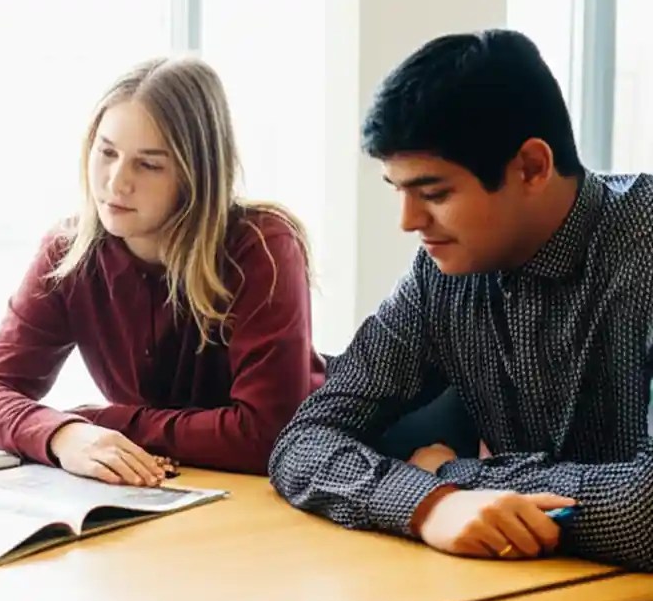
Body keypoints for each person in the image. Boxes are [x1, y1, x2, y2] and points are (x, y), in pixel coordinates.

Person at [270, 29, 653, 571]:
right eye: (397, 191)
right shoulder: (439, 275)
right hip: (531, 590)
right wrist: (428, 506)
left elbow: (646, 513)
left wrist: (449, 476)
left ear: (531, 168)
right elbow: (303, 440)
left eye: (434, 194)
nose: (407, 222)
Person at [0, 57, 323, 487]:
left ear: (195, 176)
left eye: (148, 164)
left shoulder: (261, 245)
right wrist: (64, 434)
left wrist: (103, 420)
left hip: (291, 486)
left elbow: (266, 435)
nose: (116, 182)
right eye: (107, 153)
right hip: (170, 487)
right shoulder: (70, 251)